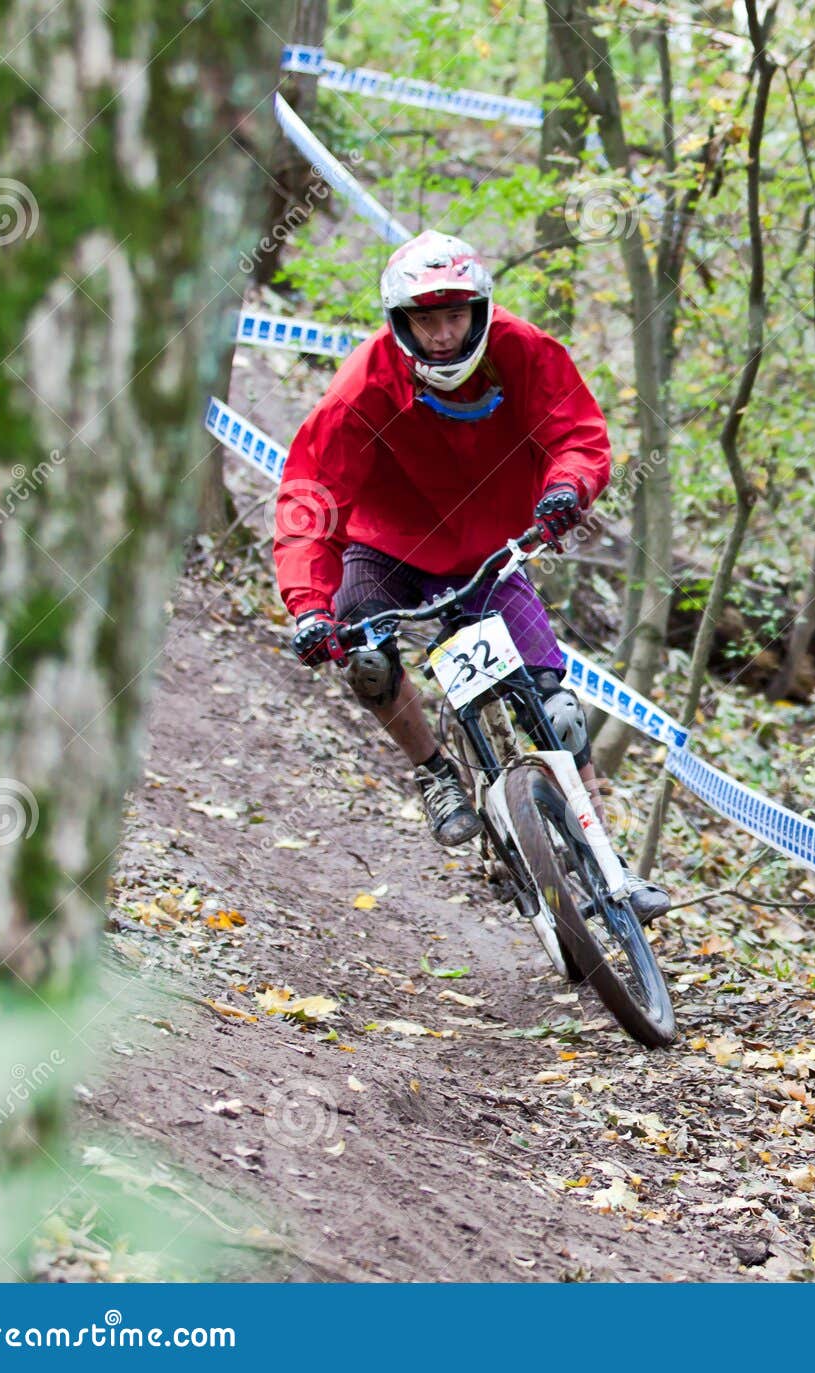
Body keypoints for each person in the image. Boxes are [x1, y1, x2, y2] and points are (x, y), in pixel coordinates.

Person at [273, 229, 668, 924]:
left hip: (489, 552)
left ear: (481, 311)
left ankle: (608, 861)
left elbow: (575, 431)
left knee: (558, 712)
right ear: (401, 324)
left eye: (456, 316)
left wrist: (566, 489)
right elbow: (313, 492)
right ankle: (434, 772)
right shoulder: (363, 384)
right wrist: (309, 606)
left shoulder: (523, 350)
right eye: (427, 320)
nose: (445, 335)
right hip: (385, 549)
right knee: (367, 664)